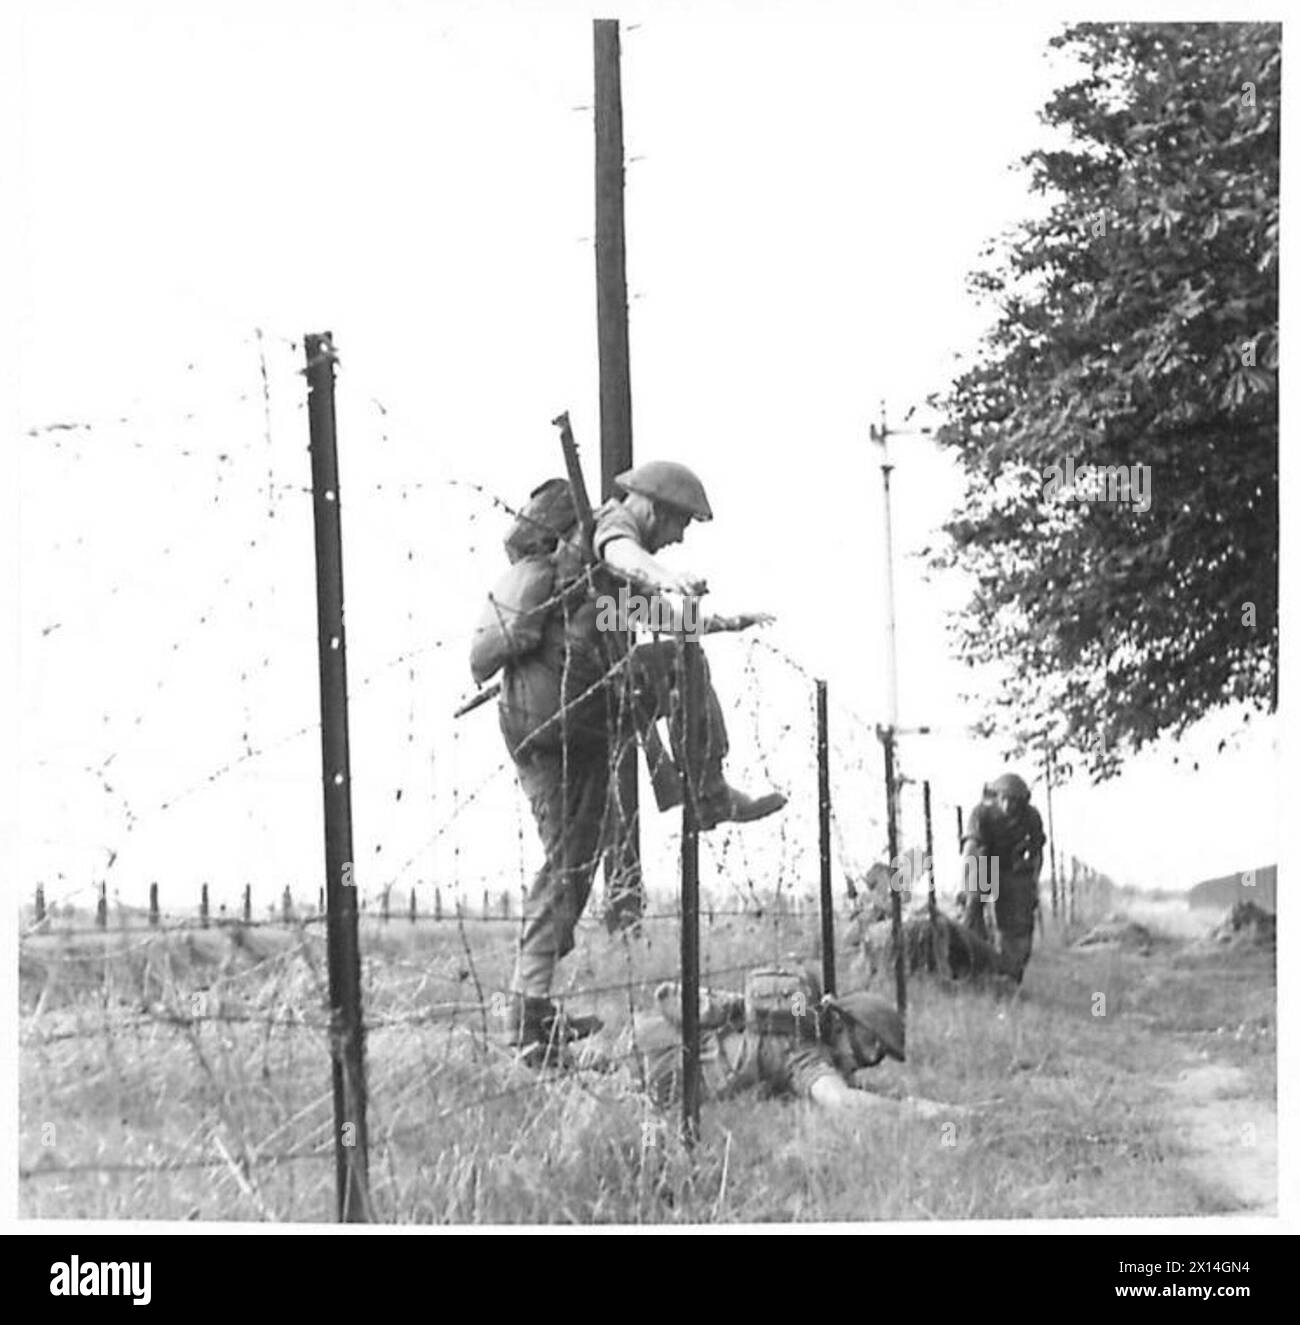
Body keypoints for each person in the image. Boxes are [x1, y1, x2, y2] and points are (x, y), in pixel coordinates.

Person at [487, 461, 787, 1061]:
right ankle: (708, 792)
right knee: (684, 665)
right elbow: (625, 552)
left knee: (571, 862)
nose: (679, 536)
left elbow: (650, 619)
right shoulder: (613, 527)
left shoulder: (591, 591)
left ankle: (530, 1011)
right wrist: (666, 575)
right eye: (680, 522)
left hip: (541, 718)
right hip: (566, 709)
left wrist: (725, 620)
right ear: (654, 506)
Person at [619, 965, 956, 1119]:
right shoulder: (805, 1052)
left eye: (877, 1057)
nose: (868, 1059)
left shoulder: (792, 1024)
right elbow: (839, 1101)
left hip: (647, 1041)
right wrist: (913, 1111)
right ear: (840, 1025)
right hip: (652, 1072)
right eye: (869, 1045)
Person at [959, 772, 1045, 982]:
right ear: (996, 797)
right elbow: (972, 851)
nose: (1008, 805)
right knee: (973, 911)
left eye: (1014, 801)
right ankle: (972, 964)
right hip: (985, 863)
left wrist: (1031, 882)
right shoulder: (982, 813)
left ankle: (1010, 972)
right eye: (1004, 799)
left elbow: (1036, 853)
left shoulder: (1031, 816)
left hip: (1012, 868)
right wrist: (970, 890)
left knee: (1018, 922)